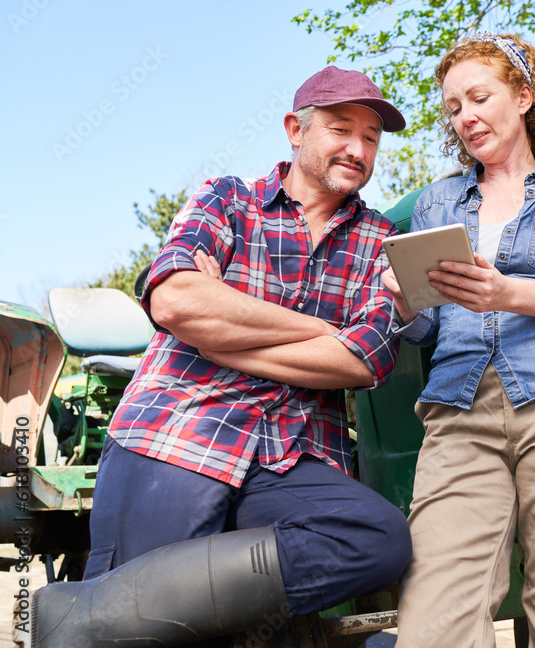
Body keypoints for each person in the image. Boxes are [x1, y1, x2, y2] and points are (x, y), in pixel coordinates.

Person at [30, 65, 413, 646]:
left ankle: (79, 612)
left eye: (371, 138)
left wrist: (222, 331)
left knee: (378, 538)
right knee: (153, 628)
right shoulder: (227, 198)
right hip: (177, 432)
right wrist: (320, 331)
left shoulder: (379, 241)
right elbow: (178, 302)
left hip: (294, 457)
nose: (358, 149)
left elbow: (364, 360)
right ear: (295, 128)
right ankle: (86, 618)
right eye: (341, 129)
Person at [385, 33, 535, 648]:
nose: (466, 116)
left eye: (479, 97)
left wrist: (510, 294)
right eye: (453, 107)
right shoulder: (438, 201)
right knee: (433, 613)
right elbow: (428, 327)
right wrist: (402, 302)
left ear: (523, 97)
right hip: (459, 411)